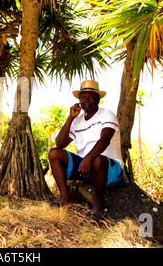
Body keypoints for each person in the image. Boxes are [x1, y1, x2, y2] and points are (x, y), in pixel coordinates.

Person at [48, 80, 124, 220]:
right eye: (83, 97)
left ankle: (99, 206)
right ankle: (65, 199)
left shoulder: (107, 114)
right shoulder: (77, 120)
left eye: (90, 96)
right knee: (54, 153)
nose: (86, 100)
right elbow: (60, 144)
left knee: (97, 160)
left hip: (108, 169)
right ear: (79, 100)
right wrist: (70, 119)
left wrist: (88, 158)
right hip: (86, 168)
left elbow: (104, 140)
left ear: (98, 99)